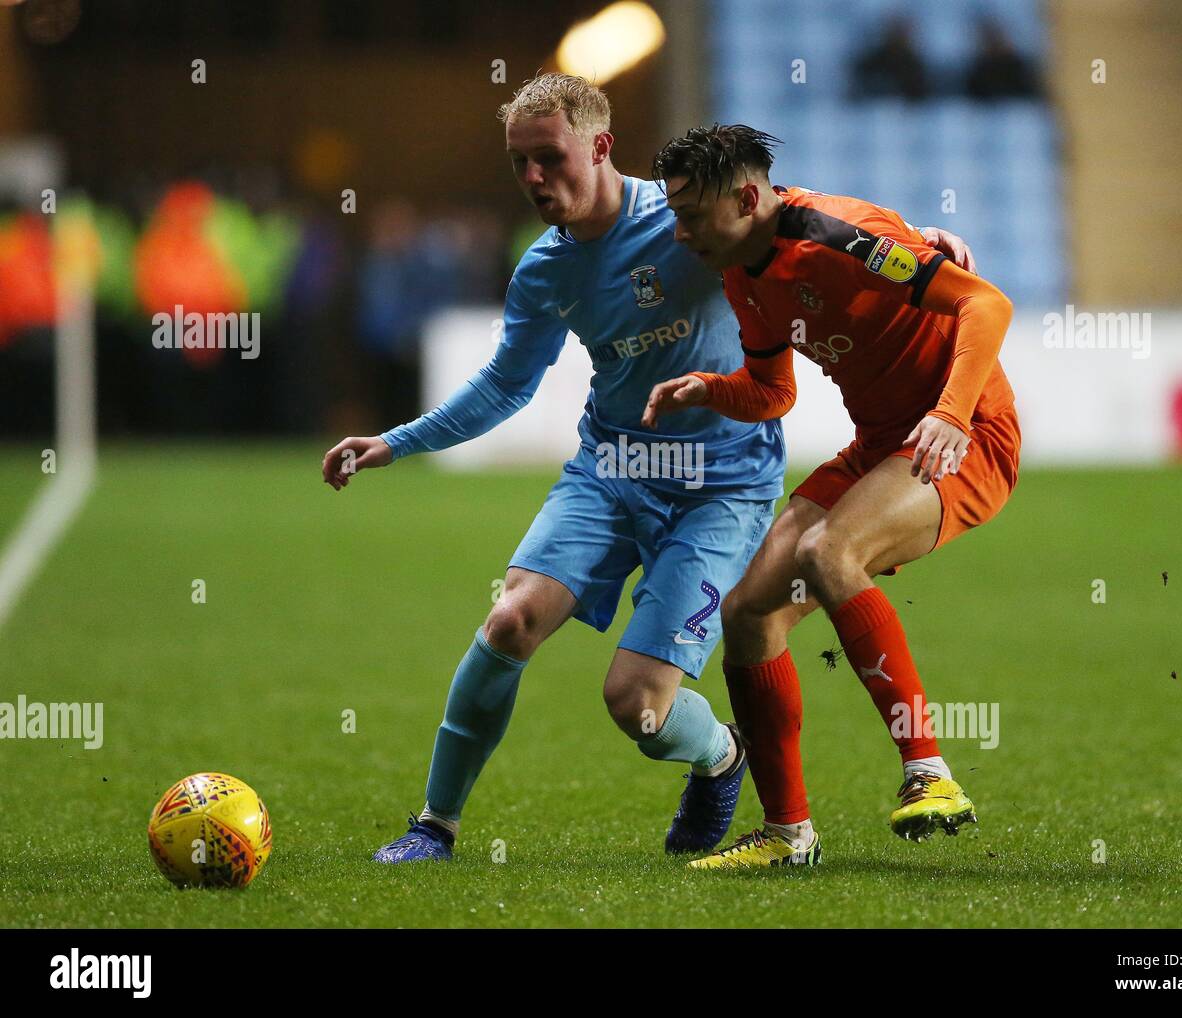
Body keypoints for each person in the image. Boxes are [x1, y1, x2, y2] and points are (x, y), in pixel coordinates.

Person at [323, 78, 975, 864]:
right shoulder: (545, 271)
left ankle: (721, 757)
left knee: (636, 706)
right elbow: (506, 384)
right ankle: (435, 826)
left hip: (723, 488)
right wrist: (395, 442)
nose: (533, 178)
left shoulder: (688, 220)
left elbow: (787, 209)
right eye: (519, 163)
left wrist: (911, 239)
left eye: (548, 157)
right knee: (509, 620)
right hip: (611, 468)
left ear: (600, 146)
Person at [643, 125, 1019, 868]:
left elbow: (986, 304)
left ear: (748, 197)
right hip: (880, 445)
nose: (680, 233)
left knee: (829, 549)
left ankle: (930, 774)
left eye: (691, 215)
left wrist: (948, 411)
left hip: (965, 433)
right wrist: (710, 390)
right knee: (747, 614)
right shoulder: (743, 271)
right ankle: (788, 836)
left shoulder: (842, 237)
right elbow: (773, 392)